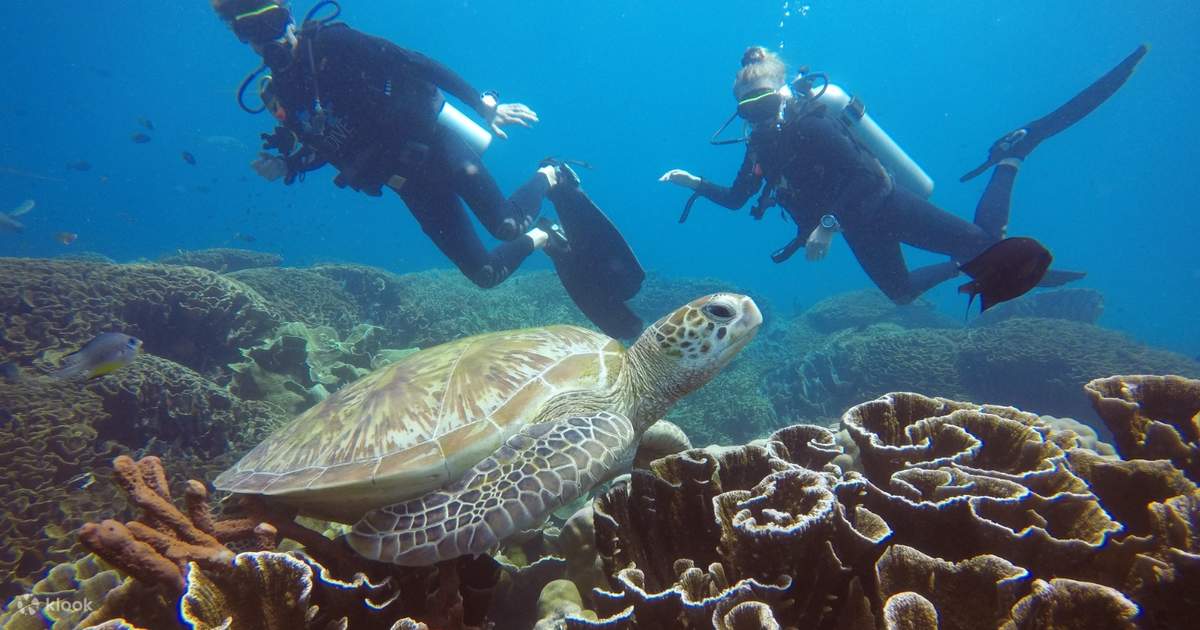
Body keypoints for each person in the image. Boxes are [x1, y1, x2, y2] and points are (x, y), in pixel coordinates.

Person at [661, 45, 1147, 305]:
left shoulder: (813, 122)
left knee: (988, 240)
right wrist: (694, 185)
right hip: (854, 225)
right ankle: (981, 262)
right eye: (747, 112)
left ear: (783, 95)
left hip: (884, 204)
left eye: (764, 104)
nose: (759, 118)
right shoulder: (759, 143)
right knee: (901, 294)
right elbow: (736, 198)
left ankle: (1011, 156)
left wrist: (826, 228)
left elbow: (861, 177)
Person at [211, 0, 577, 291]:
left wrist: (480, 104)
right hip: (407, 185)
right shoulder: (280, 96)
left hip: (434, 147)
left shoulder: (333, 43)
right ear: (242, 39)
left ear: (287, 16)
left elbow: (413, 61)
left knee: (507, 226)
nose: (266, 39)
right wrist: (288, 165)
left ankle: (550, 174)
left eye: (270, 23)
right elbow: (325, 145)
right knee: (484, 275)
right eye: (250, 31)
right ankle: (546, 234)